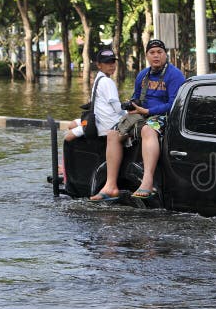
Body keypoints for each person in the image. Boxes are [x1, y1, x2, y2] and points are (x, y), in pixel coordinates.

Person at [89, 39, 185, 201]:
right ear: (147, 56)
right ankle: (110, 185)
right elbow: (137, 98)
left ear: (165, 55)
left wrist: (148, 111)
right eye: (152, 53)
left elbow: (175, 104)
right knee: (113, 133)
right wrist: (132, 105)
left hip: (165, 116)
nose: (156, 56)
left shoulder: (175, 75)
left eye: (159, 52)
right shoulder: (143, 75)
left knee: (147, 129)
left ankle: (147, 182)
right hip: (141, 114)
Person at [64, 49, 125, 141]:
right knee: (68, 136)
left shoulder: (99, 78)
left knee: (71, 126)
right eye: (107, 62)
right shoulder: (107, 82)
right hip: (105, 125)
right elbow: (118, 109)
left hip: (98, 120)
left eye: (113, 61)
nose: (111, 65)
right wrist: (130, 110)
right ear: (99, 65)